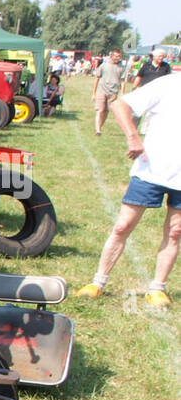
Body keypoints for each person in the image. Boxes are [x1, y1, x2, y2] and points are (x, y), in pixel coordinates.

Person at [74, 72, 181, 308]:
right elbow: (120, 104)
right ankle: (98, 282)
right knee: (123, 226)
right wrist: (133, 137)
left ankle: (157, 288)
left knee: (175, 232)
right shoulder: (168, 84)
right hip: (150, 171)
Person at [92, 48, 128, 134]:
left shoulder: (122, 68)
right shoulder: (104, 65)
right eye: (116, 56)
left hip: (113, 92)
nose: (118, 58)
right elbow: (97, 78)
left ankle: (100, 126)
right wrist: (94, 93)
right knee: (100, 110)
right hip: (102, 90)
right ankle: (98, 130)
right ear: (111, 56)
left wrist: (122, 93)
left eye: (119, 56)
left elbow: (123, 81)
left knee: (106, 111)